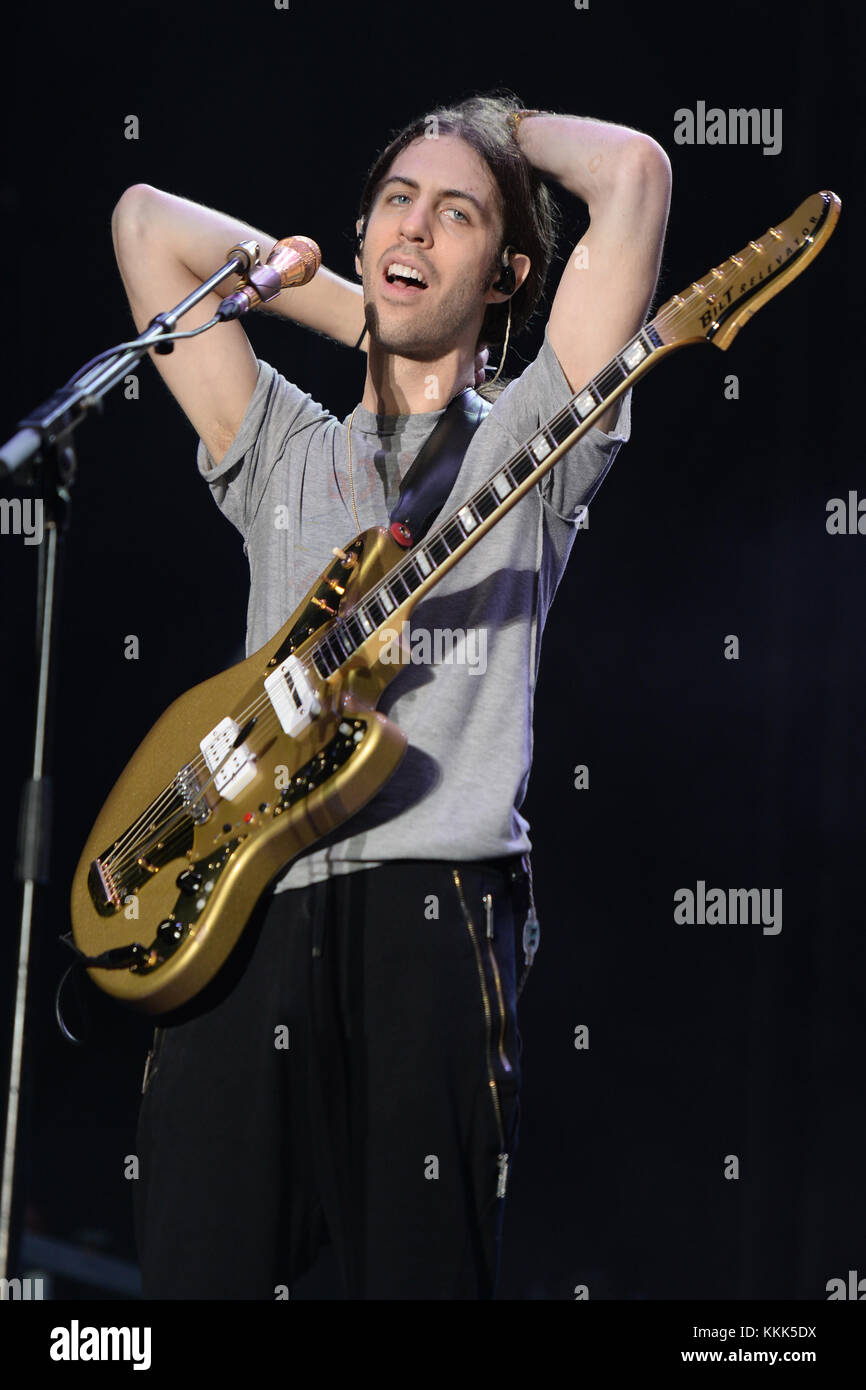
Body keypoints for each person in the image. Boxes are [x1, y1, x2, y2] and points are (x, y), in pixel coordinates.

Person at [112, 94, 671, 1300]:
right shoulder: (283, 446)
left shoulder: (529, 441)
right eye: (395, 205)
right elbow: (146, 223)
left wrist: (488, 127)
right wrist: (354, 292)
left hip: (430, 911)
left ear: (513, 269)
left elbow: (629, 174)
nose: (414, 224)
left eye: (456, 215)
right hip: (238, 911)